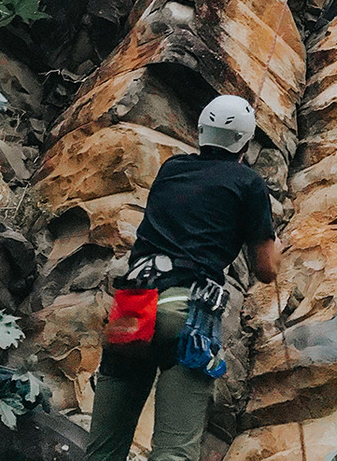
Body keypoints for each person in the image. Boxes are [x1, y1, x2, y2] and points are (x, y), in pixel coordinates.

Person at [86, 95, 282, 461]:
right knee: (174, 453)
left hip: (134, 306)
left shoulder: (172, 168)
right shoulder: (249, 182)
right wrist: (273, 241)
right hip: (187, 313)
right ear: (244, 141)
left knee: (102, 451)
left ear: (202, 131)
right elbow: (266, 269)